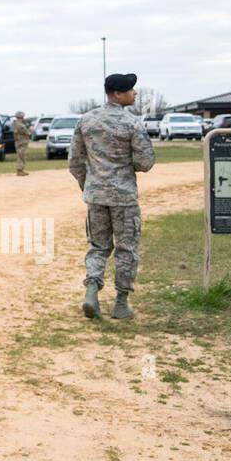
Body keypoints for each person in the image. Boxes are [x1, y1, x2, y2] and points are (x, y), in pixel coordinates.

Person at [69, 73, 156, 320]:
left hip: (95, 196)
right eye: (130, 89)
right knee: (126, 248)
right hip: (124, 197)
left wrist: (90, 185)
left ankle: (91, 292)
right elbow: (145, 162)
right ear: (117, 94)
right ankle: (121, 302)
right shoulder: (132, 123)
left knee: (98, 246)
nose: (135, 93)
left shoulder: (86, 120)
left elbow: (75, 162)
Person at [12, 111, 32, 175]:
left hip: (18, 142)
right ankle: (20, 170)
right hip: (22, 142)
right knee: (22, 156)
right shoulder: (20, 125)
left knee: (20, 155)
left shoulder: (15, 124)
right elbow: (27, 133)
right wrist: (31, 130)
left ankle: (20, 170)